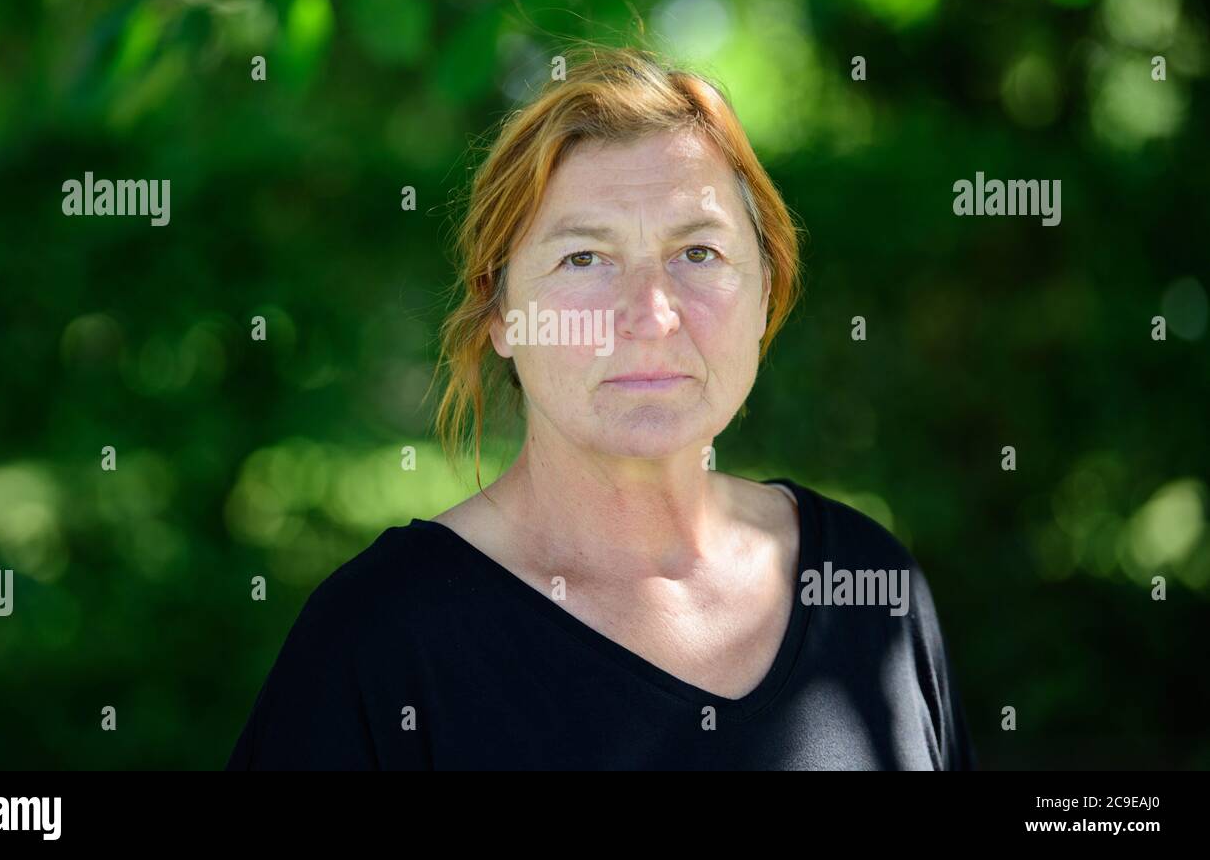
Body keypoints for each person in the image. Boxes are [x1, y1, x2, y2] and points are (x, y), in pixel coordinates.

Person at [227, 44, 977, 769]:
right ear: (500, 315)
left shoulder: (872, 591)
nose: (651, 313)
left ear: (766, 293)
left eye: (698, 253)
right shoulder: (378, 643)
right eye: (583, 258)